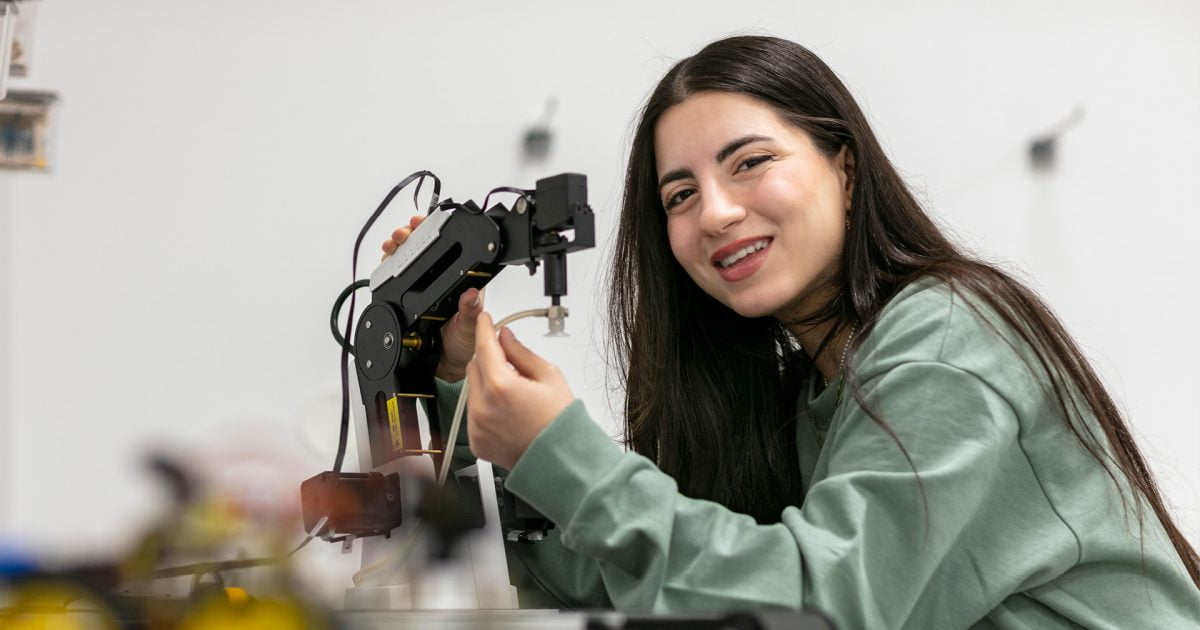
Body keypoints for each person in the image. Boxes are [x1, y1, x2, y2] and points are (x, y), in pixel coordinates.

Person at [381, 36, 1199, 627]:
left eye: (750, 162)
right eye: (680, 196)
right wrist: (455, 380)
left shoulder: (949, 338)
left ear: (844, 166)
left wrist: (563, 454)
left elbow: (816, 609)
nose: (717, 212)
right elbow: (664, 583)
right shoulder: (806, 392)